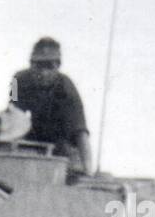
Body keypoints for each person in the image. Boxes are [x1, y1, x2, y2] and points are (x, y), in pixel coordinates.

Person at [10, 37, 95, 173]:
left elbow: (81, 133)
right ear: (31, 64)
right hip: (32, 138)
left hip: (63, 143)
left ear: (58, 66)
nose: (44, 73)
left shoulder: (67, 88)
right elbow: (12, 115)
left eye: (49, 66)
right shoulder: (17, 81)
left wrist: (89, 170)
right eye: (39, 66)